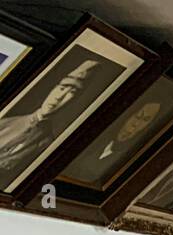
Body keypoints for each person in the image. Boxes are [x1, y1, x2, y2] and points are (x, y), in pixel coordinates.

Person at [0, 58, 104, 187]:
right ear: (53, 89)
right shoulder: (7, 121)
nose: (59, 97)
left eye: (72, 93)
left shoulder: (47, 144)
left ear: (74, 100)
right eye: (61, 88)